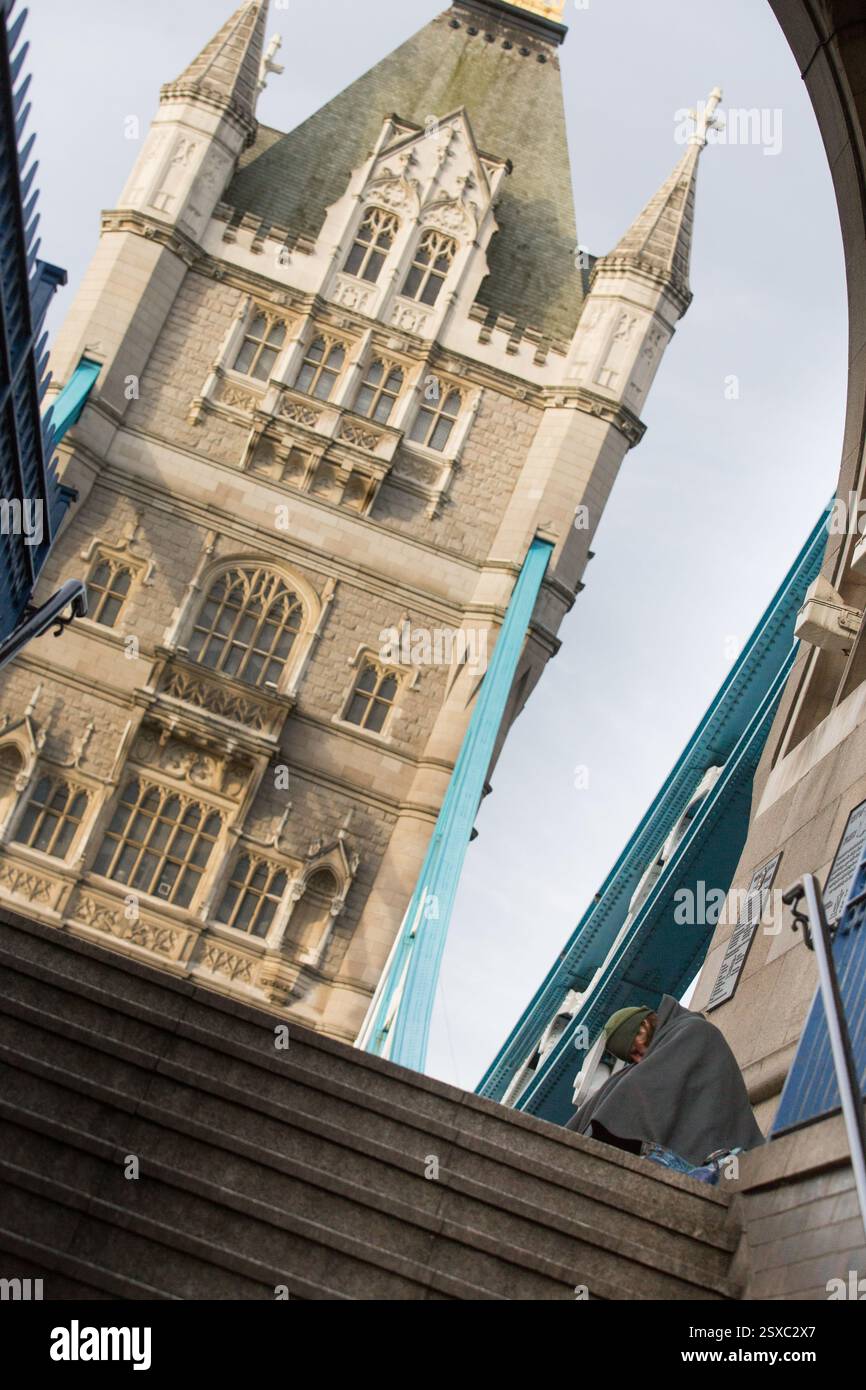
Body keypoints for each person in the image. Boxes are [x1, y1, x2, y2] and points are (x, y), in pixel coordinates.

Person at [566, 995, 765, 1168]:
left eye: (635, 1051)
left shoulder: (694, 1030)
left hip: (718, 1151)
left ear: (644, 1025)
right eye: (631, 1058)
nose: (638, 1059)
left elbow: (640, 1086)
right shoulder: (659, 1052)